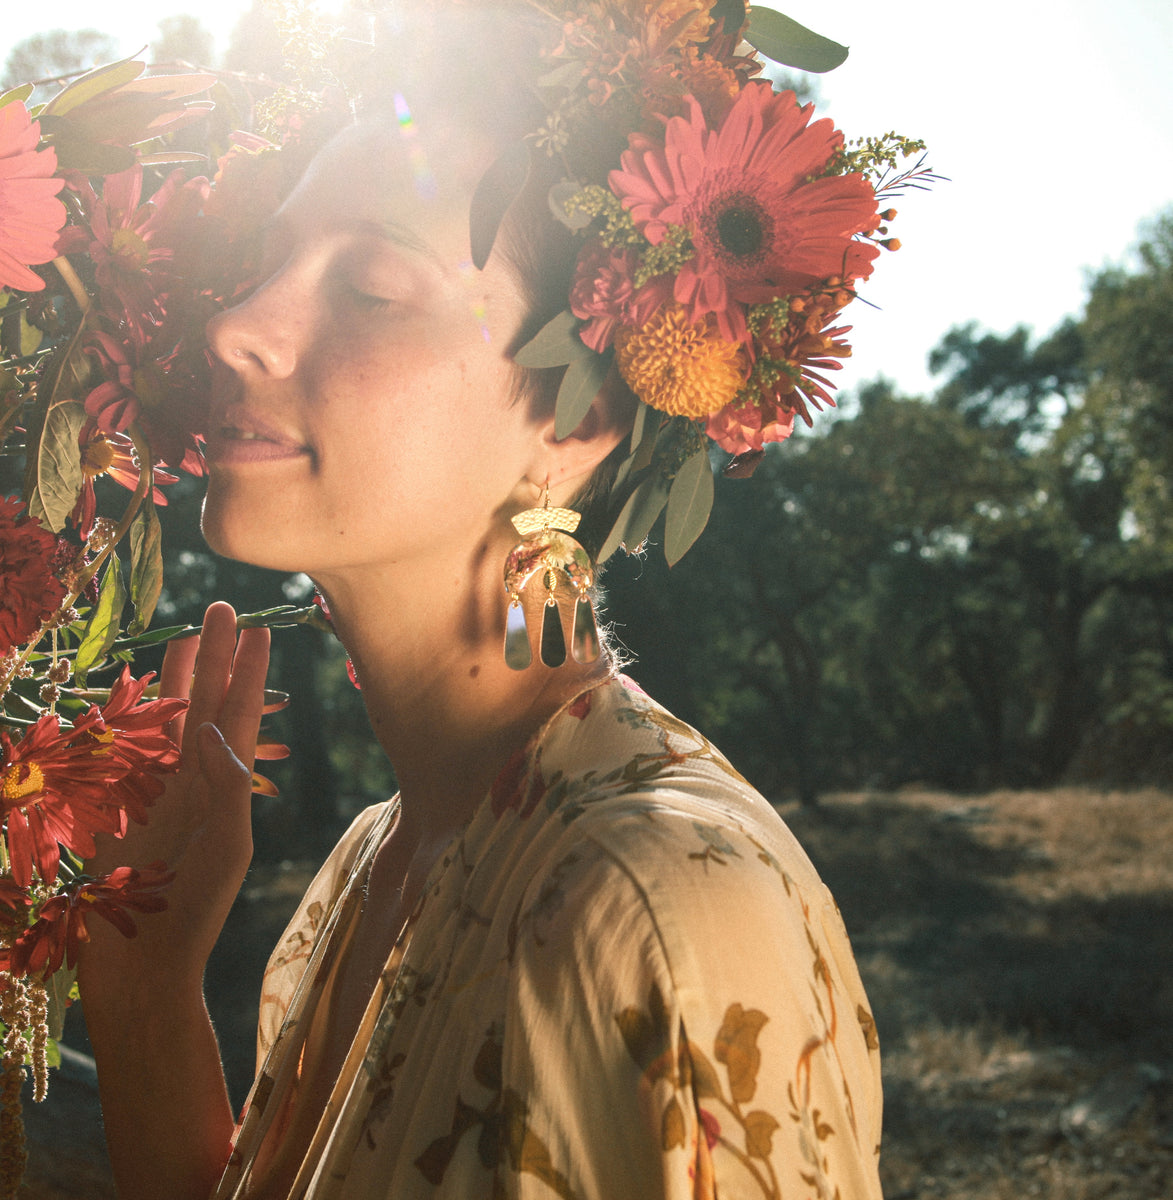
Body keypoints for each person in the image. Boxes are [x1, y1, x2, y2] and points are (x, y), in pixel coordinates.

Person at [77, 4, 889, 1197]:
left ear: (571, 428)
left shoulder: (649, 908)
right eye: (264, 266)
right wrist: (146, 1003)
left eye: (366, 289)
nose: (236, 324)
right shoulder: (376, 861)